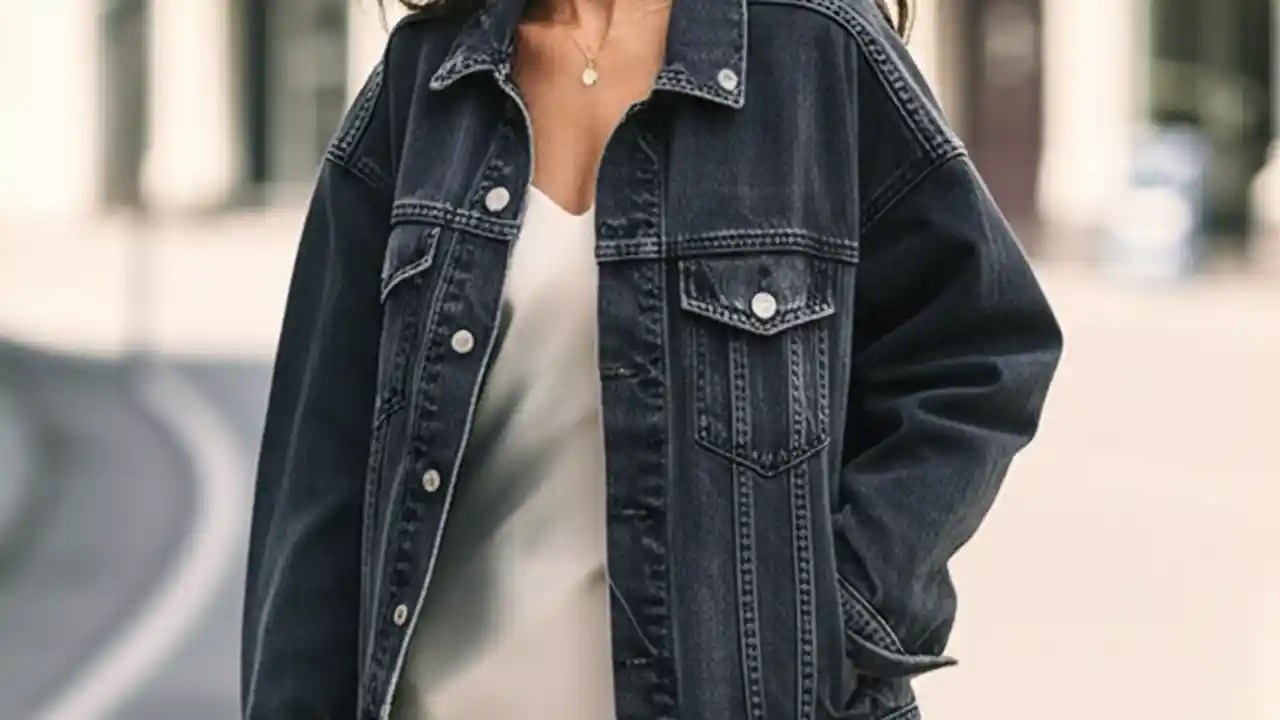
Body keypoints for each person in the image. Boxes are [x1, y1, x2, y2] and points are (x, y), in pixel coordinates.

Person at [240, 0, 1063, 717]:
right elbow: (321, 474)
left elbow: (983, 349)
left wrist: (837, 614)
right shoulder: (426, 81)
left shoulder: (814, 48)